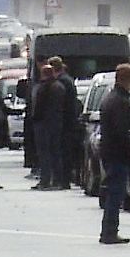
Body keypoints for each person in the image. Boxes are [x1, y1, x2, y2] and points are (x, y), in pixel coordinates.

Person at [98, 63, 130, 244]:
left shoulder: (110, 98)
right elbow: (123, 131)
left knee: (113, 192)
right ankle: (109, 231)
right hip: (117, 154)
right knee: (115, 193)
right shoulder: (120, 101)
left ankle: (109, 230)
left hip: (110, 152)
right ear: (128, 80)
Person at [30, 64, 66, 190]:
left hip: (44, 124)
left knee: (44, 153)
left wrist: (35, 119)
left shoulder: (44, 87)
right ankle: (57, 180)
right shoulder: (60, 87)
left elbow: (39, 107)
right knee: (55, 152)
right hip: (57, 123)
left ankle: (45, 180)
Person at [49, 57, 81, 187]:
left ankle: (63, 179)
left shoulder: (62, 82)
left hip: (64, 122)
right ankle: (63, 179)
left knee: (62, 151)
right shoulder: (67, 80)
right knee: (64, 151)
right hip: (68, 121)